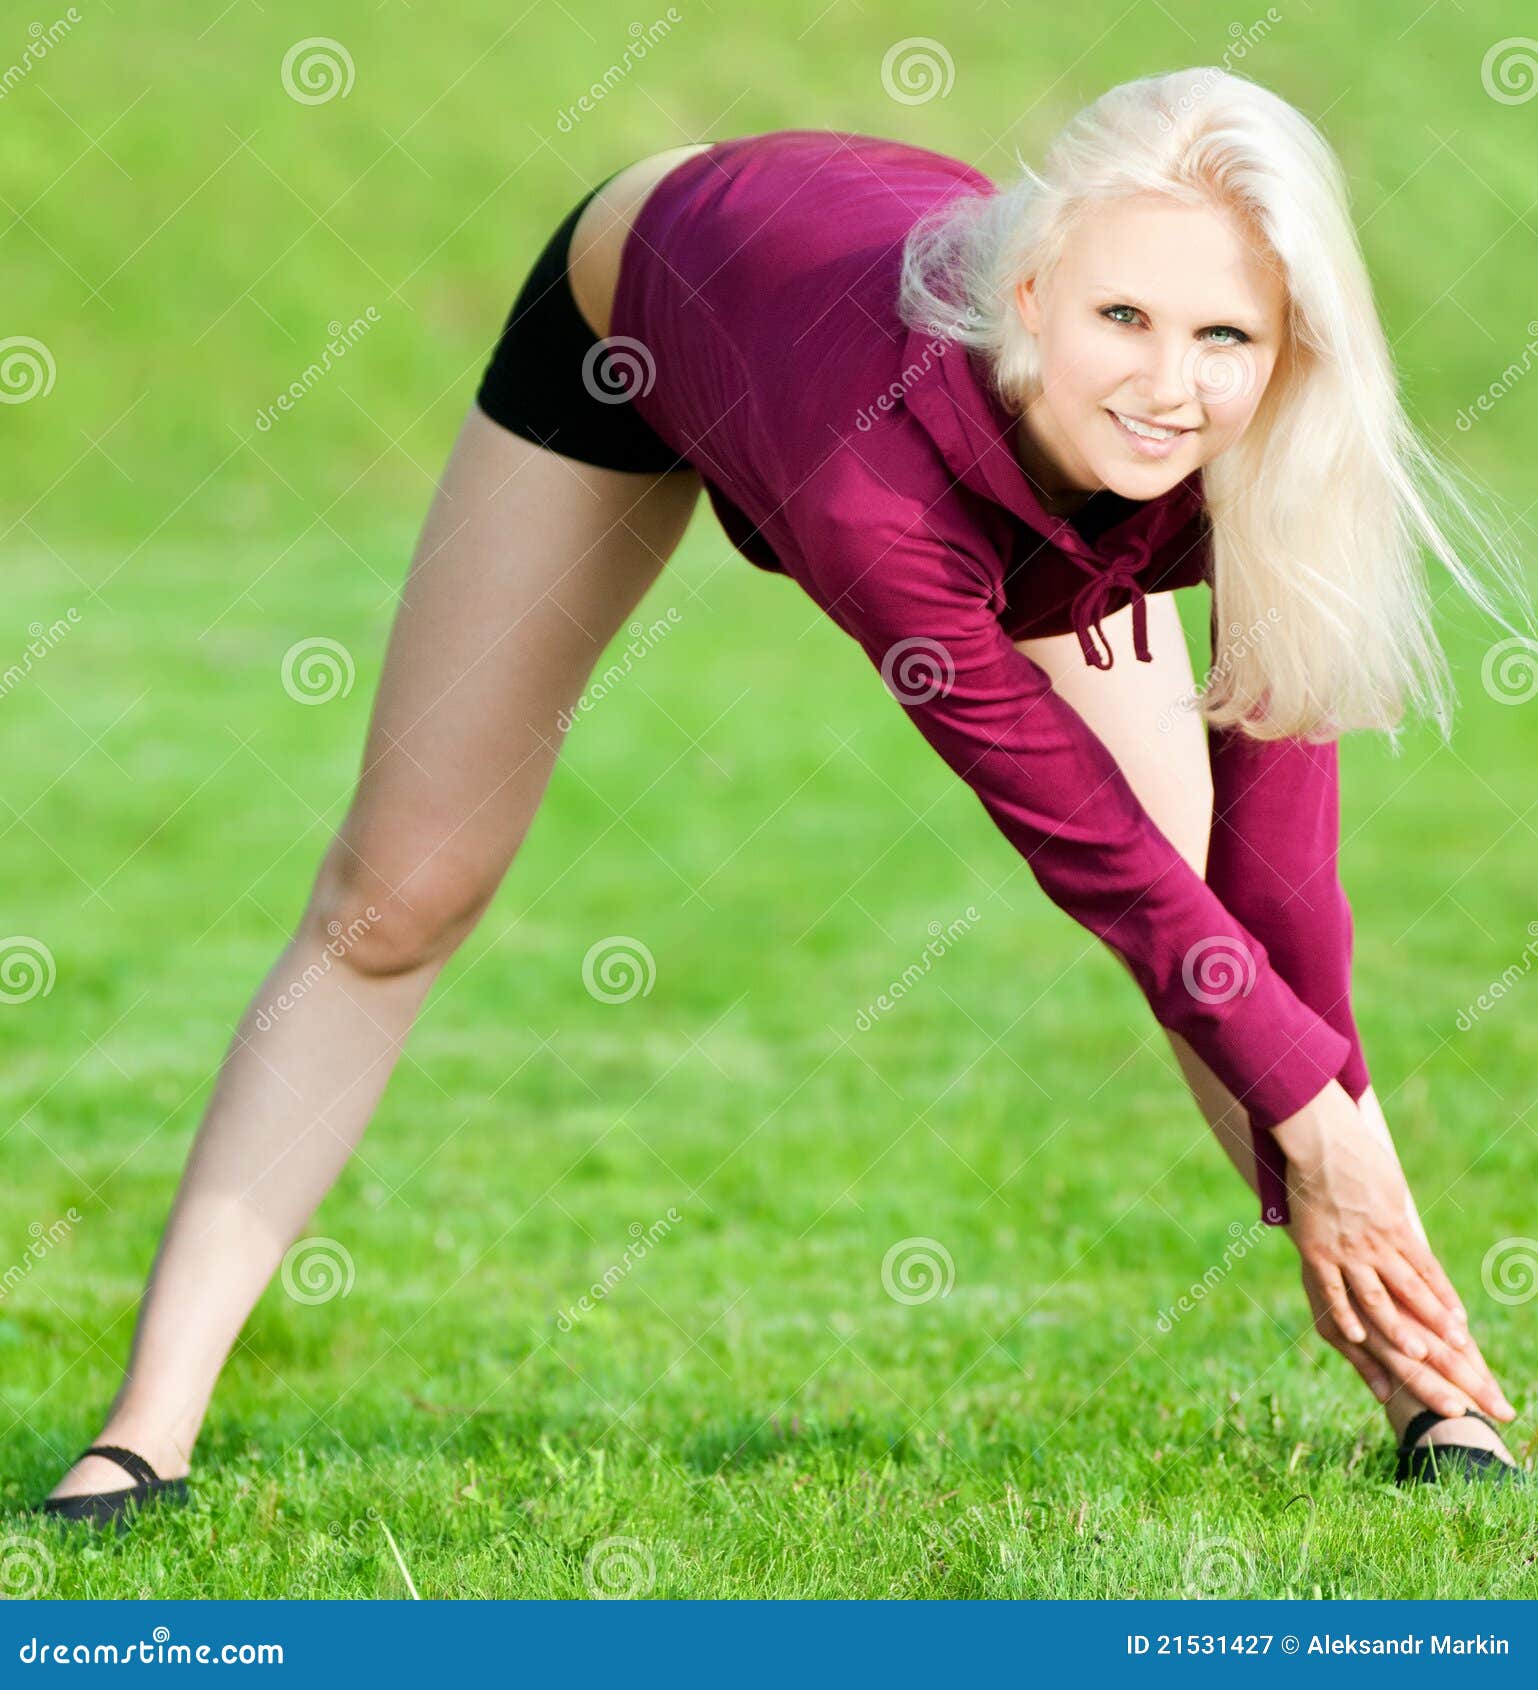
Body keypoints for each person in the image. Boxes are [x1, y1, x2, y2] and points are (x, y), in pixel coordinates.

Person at [42, 70, 1534, 1523]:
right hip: (648, 314)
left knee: (1220, 952)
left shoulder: (1263, 446)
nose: (1168, 382)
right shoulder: (869, 482)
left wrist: (1332, 1132)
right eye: (1123, 318)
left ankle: (1435, 1395)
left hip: (926, 389)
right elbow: (1091, 852)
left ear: (1284, 353)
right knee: (399, 893)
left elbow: (1272, 893)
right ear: (1032, 293)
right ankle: (141, 1436)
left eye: (1223, 335)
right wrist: (1309, 1124)